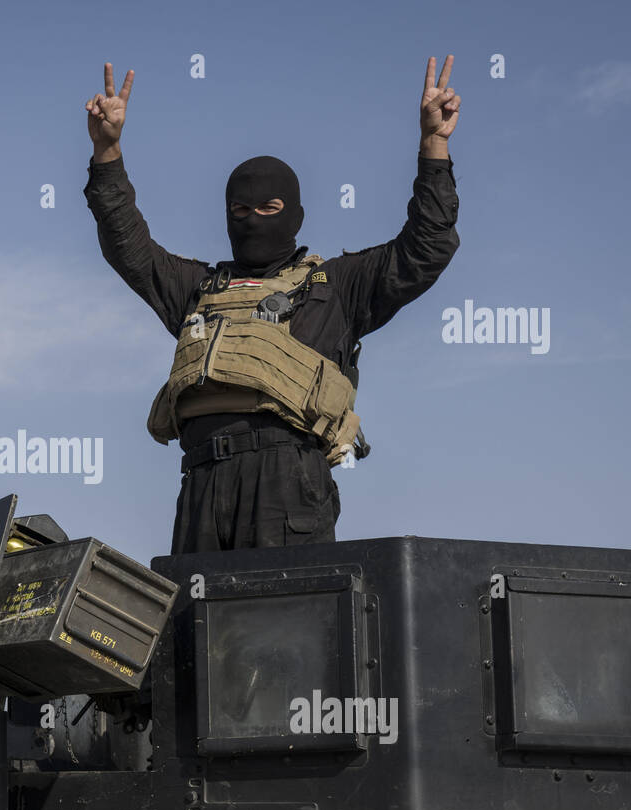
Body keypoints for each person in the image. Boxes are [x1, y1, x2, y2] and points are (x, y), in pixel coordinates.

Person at [84, 57, 462, 554]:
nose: (252, 219)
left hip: (286, 487)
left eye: (269, 209)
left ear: (295, 214)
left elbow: (427, 246)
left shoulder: (337, 286)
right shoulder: (198, 288)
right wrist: (107, 150)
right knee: (195, 628)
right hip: (200, 483)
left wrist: (434, 145)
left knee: (282, 626)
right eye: (240, 210)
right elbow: (126, 244)